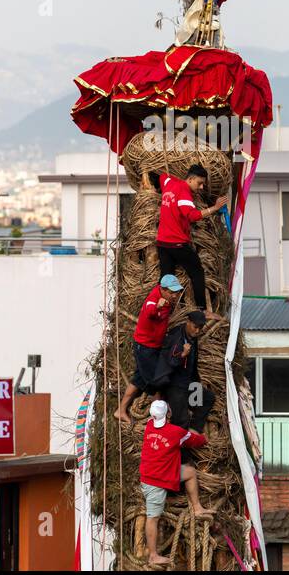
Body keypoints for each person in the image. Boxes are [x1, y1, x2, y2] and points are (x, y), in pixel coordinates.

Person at [139, 400, 211, 565]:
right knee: (153, 518)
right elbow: (195, 440)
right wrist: (205, 439)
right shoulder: (175, 432)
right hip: (155, 482)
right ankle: (153, 556)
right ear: (169, 414)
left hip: (154, 474)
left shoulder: (149, 426)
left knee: (189, 472)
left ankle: (197, 507)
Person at [149, 165, 228, 315]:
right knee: (197, 273)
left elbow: (160, 176)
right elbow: (192, 216)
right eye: (199, 183)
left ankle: (161, 308)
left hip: (162, 243)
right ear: (190, 179)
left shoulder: (169, 182)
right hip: (177, 244)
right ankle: (201, 310)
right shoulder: (184, 192)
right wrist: (215, 208)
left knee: (166, 278)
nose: (201, 187)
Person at [113, 274, 183, 423]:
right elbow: (149, 309)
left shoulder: (166, 298)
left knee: (138, 380)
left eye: (176, 292)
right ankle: (160, 418)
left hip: (152, 346)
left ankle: (120, 410)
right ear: (163, 290)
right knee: (156, 382)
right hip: (145, 348)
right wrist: (158, 305)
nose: (175, 295)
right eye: (172, 292)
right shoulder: (153, 301)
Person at [162, 310, 221, 432]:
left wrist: (197, 382)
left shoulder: (192, 337)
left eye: (200, 328)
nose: (198, 331)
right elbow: (168, 362)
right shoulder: (176, 338)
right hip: (174, 387)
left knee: (207, 398)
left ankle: (194, 430)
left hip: (189, 385)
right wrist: (182, 355)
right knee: (182, 421)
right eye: (195, 327)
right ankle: (182, 449)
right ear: (188, 322)